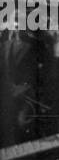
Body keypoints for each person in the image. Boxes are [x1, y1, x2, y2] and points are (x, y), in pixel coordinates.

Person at [0, 9, 49, 146]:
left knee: (26, 126)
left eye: (19, 24)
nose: (16, 27)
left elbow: (44, 71)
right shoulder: (6, 45)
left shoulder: (35, 45)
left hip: (28, 95)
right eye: (14, 24)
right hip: (10, 95)